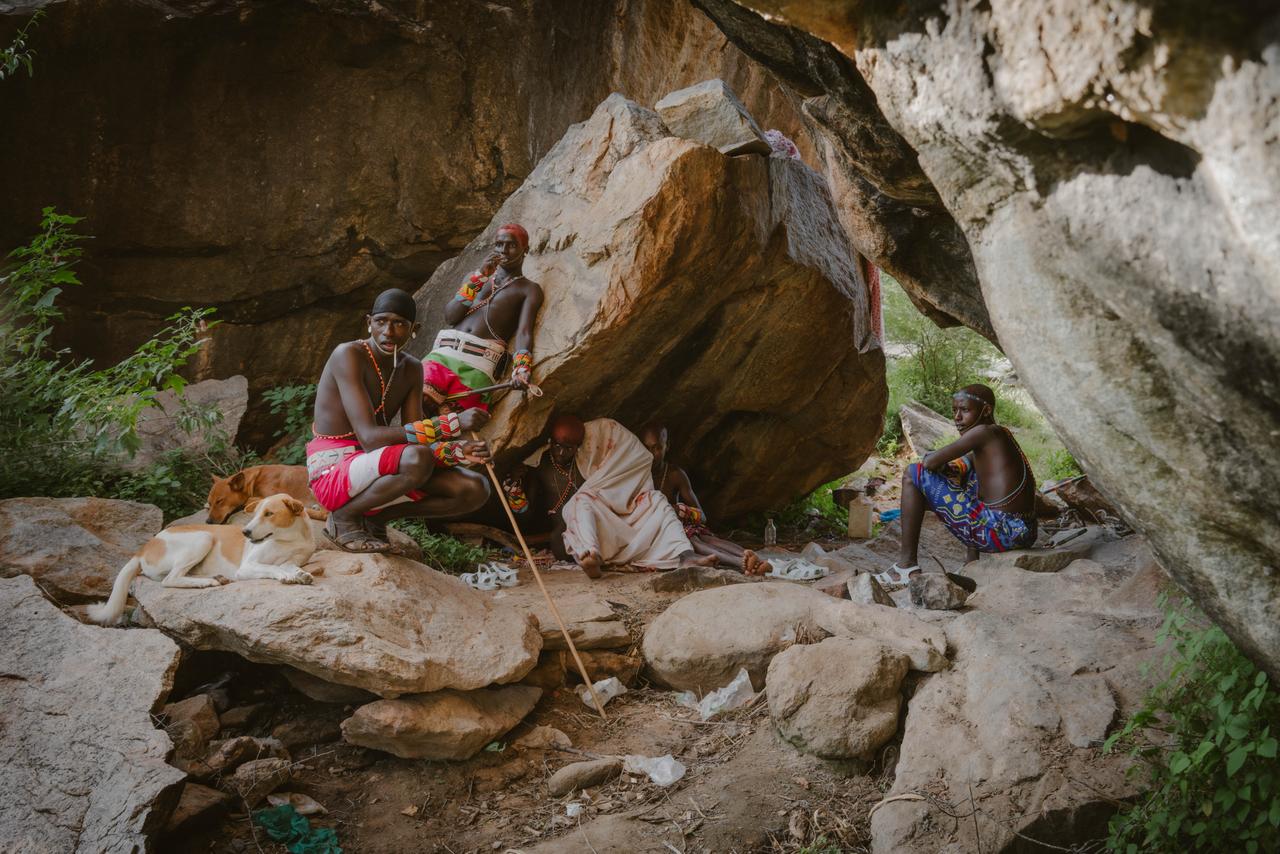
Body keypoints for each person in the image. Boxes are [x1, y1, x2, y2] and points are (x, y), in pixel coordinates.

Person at [306, 288, 492, 553]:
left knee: (474, 488)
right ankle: (344, 518)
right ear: (368, 322)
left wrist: (458, 451)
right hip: (334, 472)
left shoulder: (412, 367)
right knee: (417, 458)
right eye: (381, 321)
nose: (389, 332)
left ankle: (378, 519)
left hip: (376, 467)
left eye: (399, 324)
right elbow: (370, 439)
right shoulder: (347, 354)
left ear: (414, 329)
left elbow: (417, 442)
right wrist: (453, 424)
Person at [505, 416, 716, 579]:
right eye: (557, 446)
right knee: (581, 501)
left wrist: (676, 510)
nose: (561, 453)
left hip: (619, 529)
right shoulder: (541, 465)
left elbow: (621, 499)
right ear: (550, 442)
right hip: (577, 539)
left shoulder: (597, 468)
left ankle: (685, 555)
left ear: (579, 447)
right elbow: (525, 514)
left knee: (658, 501)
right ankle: (590, 555)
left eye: (568, 448)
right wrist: (514, 489)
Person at [878, 383, 1037, 583]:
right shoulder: (998, 436)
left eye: (964, 410)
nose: (957, 417)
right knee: (966, 471)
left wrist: (938, 466)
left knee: (913, 473)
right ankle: (971, 562)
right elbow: (957, 467)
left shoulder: (983, 432)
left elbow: (929, 463)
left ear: (986, 410)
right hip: (1024, 532)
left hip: (1000, 532)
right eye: (954, 411)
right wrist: (951, 469)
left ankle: (906, 566)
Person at [423, 223, 543, 413]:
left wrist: (521, 368)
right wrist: (480, 277)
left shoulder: (529, 289)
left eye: (511, 245)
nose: (503, 250)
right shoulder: (474, 277)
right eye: (499, 244)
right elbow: (451, 316)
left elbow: (524, 331)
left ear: (525, 249)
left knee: (452, 418)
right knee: (419, 401)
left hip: (478, 365)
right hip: (441, 356)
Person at [640, 423, 772, 576]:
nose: (651, 454)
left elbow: (702, 517)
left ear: (667, 446)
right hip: (661, 532)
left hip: (682, 525)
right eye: (646, 448)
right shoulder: (636, 475)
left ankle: (748, 557)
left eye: (657, 448)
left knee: (704, 537)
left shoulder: (675, 475)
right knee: (691, 539)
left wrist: (680, 510)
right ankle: (740, 563)